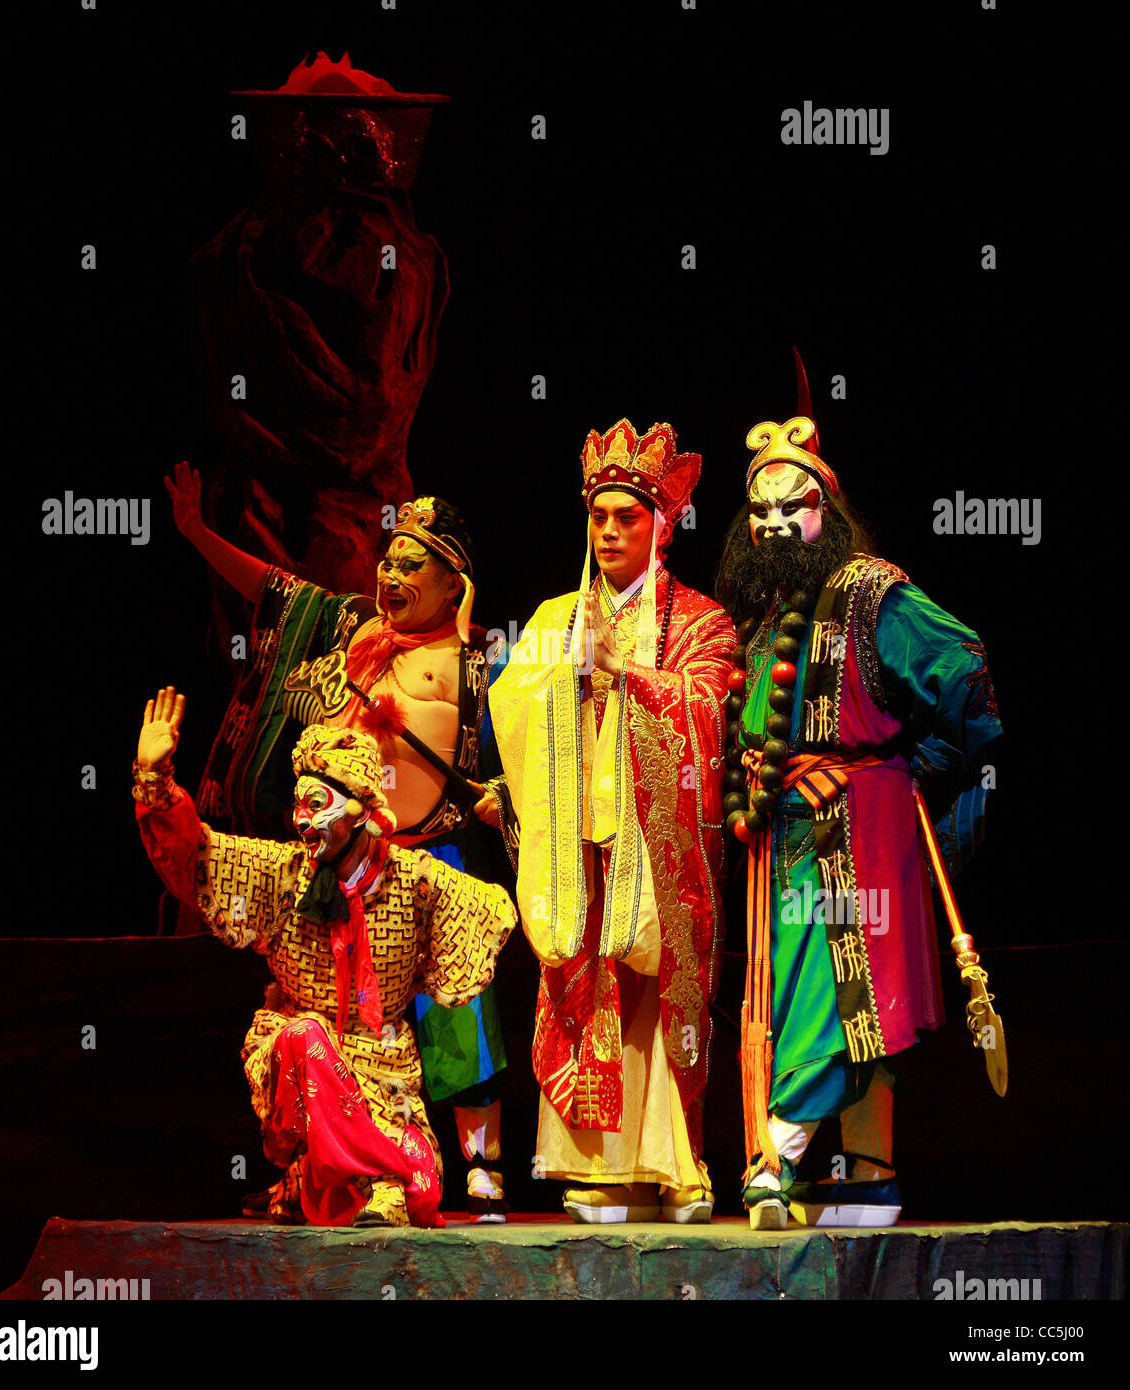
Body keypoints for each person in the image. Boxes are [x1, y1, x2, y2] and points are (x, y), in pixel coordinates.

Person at [165, 464, 515, 1221]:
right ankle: (322, 1168)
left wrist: (503, 799)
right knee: (325, 1017)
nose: (390, 574)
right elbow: (275, 593)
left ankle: (479, 1167)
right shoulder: (354, 632)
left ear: (454, 581)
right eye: (387, 559)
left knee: (457, 1013)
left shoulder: (485, 660)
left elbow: (525, 753)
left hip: (434, 852)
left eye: (410, 563)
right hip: (344, 860)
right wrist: (196, 532)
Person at [714, 416, 1003, 1229]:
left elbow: (962, 664)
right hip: (785, 826)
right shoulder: (766, 611)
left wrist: (923, 767)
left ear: (826, 512)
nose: (773, 522)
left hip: (854, 819)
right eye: (758, 509)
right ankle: (868, 1175)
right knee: (839, 1000)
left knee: (832, 985)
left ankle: (777, 1158)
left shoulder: (870, 588)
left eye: (792, 505)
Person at [133, 686, 516, 1228]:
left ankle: (378, 1176)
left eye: (318, 806)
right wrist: (157, 783)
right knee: (302, 1035)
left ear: (360, 810)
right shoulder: (282, 874)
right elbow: (193, 859)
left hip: (387, 1072)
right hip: (303, 1063)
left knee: (423, 1186)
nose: (303, 821)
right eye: (299, 806)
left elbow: (491, 911)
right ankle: (348, 1174)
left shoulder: (419, 881)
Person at [486, 419, 735, 1223]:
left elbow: (708, 708)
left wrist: (625, 676)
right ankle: (595, 1165)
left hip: (659, 846)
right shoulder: (556, 616)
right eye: (598, 516)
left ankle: (672, 1162)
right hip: (577, 841)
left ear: (662, 525)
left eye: (627, 517)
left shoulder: (698, 620)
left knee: (658, 994)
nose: (609, 531)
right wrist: (563, 680)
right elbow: (510, 705)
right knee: (585, 989)